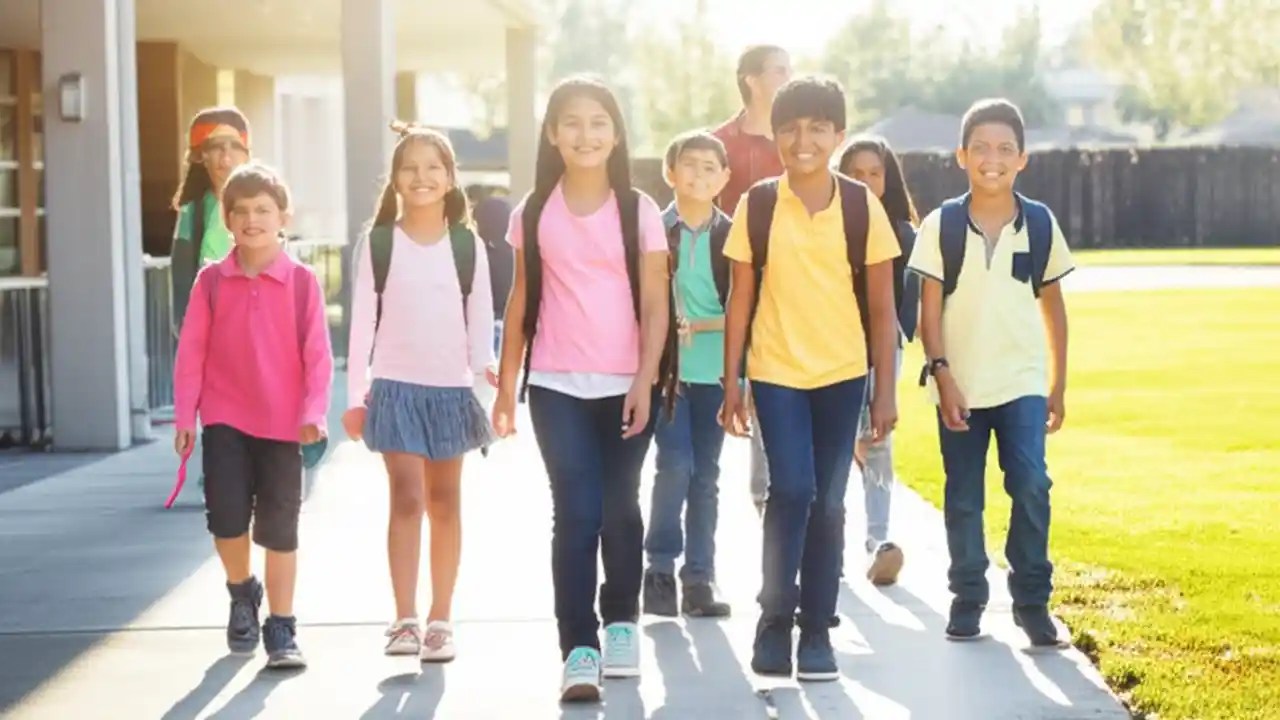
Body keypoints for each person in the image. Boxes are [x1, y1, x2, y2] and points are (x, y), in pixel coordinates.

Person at [491, 76, 670, 703]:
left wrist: (646, 381)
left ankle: (621, 621)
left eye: (598, 122)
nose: (585, 134)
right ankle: (579, 648)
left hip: (627, 383)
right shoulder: (533, 211)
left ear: (616, 134)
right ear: (552, 133)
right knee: (575, 510)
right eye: (571, 122)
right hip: (556, 383)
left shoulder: (639, 210)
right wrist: (505, 387)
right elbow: (519, 303)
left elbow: (656, 302)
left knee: (620, 506)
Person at [720, 76, 900, 682]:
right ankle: (775, 618)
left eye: (818, 128)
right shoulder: (759, 204)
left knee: (828, 501)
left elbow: (882, 309)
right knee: (790, 491)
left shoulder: (860, 205)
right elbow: (740, 299)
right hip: (775, 372)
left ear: (838, 136)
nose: (804, 140)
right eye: (791, 128)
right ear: (774, 136)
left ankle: (818, 630)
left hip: (843, 373)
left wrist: (886, 392)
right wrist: (731, 382)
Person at [907, 98, 1073, 647]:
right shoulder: (941, 225)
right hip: (960, 383)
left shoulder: (1042, 223)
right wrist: (943, 373)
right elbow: (929, 311)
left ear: (1022, 158)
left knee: (1030, 485)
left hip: (1022, 381)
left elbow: (1054, 307)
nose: (992, 159)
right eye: (980, 148)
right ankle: (969, 596)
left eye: (1005, 149)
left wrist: (1058, 383)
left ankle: (1031, 601)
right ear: (961, 156)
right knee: (963, 497)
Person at [342, 124, 497, 663]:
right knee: (406, 498)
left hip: (452, 391)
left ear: (451, 178)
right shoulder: (379, 242)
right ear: (396, 180)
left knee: (445, 503)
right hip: (395, 387)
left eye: (434, 167)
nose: (422, 177)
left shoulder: (466, 244)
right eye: (411, 167)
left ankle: (441, 619)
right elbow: (361, 323)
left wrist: (484, 377)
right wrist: (354, 395)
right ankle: (405, 618)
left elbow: (480, 318)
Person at [173, 161, 333, 669]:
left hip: (285, 424)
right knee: (225, 519)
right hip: (225, 418)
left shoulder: (302, 282)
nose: (251, 219)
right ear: (227, 220)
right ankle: (242, 593)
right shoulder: (211, 283)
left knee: (281, 527)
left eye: (262, 209)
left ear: (282, 216)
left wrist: (313, 413)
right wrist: (184, 418)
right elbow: (191, 353)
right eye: (240, 211)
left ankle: (282, 627)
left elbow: (318, 356)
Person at [642, 131, 733, 620]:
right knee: (673, 465)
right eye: (689, 165)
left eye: (709, 167)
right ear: (670, 172)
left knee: (707, 476)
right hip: (668, 374)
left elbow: (748, 307)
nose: (699, 175)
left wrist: (701, 325)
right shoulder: (653, 231)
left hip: (717, 374)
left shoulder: (734, 234)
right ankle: (658, 568)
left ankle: (699, 578)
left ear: (725, 178)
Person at [837, 135, 922, 586]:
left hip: (884, 351)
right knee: (841, 443)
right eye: (856, 173)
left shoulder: (905, 233)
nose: (866, 181)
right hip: (832, 348)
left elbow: (915, 303)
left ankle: (879, 541)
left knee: (878, 440)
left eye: (875, 172)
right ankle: (827, 543)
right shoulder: (828, 224)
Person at [713, 45, 792, 514]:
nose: (788, 77)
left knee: (772, 391)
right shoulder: (717, 144)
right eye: (779, 70)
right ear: (750, 79)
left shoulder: (796, 143)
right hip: (727, 284)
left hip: (788, 284)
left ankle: (771, 500)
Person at [170, 107, 252, 333]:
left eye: (234, 147)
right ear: (200, 157)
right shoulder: (193, 212)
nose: (226, 159)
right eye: (216, 148)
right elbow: (182, 275)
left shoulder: (261, 205)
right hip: (210, 327)